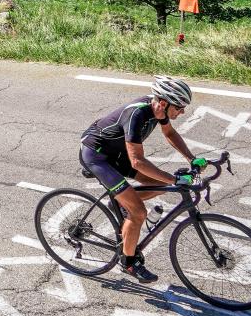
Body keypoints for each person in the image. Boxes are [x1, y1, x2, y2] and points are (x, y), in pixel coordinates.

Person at [79, 76, 203, 284]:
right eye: (180, 107)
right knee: (138, 212)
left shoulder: (159, 109)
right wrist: (174, 179)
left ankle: (120, 202)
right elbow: (137, 162)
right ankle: (128, 262)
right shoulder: (137, 114)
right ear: (164, 103)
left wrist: (191, 158)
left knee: (160, 184)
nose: (182, 112)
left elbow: (170, 133)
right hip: (97, 156)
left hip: (118, 154)